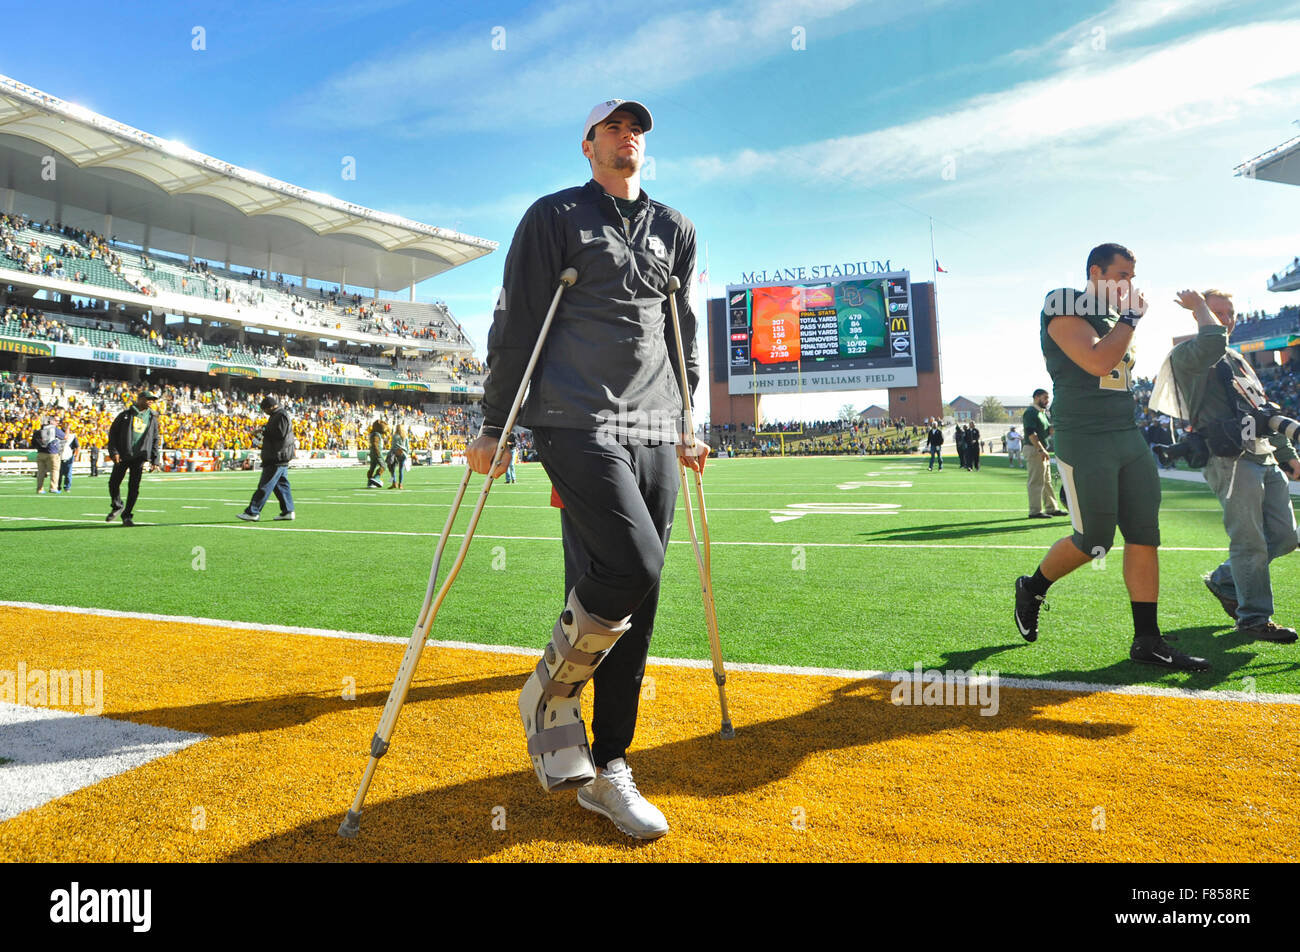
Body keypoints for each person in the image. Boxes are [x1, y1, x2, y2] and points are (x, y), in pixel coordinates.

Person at [467, 98, 704, 840]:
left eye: (638, 129)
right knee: (633, 561)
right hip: (574, 416)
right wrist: (494, 421)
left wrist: (689, 416)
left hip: (656, 421)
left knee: (641, 586)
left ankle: (610, 768)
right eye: (615, 128)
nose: (628, 136)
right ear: (589, 144)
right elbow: (516, 319)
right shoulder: (554, 216)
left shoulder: (676, 228)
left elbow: (681, 326)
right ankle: (551, 691)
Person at [1014, 243, 1209, 671]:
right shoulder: (1063, 301)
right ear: (1096, 272)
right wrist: (1131, 319)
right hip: (1085, 436)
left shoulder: (1114, 319)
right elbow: (1098, 360)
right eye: (1122, 275)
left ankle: (1147, 638)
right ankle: (1032, 586)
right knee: (1096, 542)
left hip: (1126, 433)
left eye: (1133, 277)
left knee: (1144, 533)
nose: (1130, 285)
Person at [1158, 289, 1298, 643]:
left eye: (1231, 313)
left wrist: (1285, 452)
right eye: (1217, 312)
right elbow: (1211, 343)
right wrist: (1202, 309)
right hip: (1228, 459)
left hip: (1261, 452)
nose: (1227, 319)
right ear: (1199, 316)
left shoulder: (1239, 358)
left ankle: (1223, 579)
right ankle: (1253, 618)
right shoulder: (1189, 354)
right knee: (1248, 540)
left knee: (1285, 536)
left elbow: (1261, 408)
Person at [106, 391, 162, 526]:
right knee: (113, 483)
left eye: (152, 400)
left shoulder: (152, 418)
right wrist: (114, 452)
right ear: (140, 399)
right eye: (148, 399)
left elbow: (155, 439)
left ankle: (127, 515)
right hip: (123, 455)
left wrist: (155, 459)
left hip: (140, 456)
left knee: (134, 487)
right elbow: (113, 434)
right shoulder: (125, 415)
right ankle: (117, 506)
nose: (150, 401)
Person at [237, 395, 296, 521]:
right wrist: (264, 429)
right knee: (281, 486)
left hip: (276, 456)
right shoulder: (279, 415)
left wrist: (263, 431)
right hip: (280, 456)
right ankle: (288, 511)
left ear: (270, 407)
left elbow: (279, 433)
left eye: (265, 409)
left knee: (265, 485)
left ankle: (253, 512)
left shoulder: (280, 415)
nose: (265, 412)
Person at [1022, 389, 1067, 518]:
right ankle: (1035, 511)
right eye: (1045, 398)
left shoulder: (1042, 413)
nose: (1047, 401)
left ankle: (1051, 508)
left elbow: (1047, 431)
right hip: (1034, 448)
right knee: (1036, 481)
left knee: (1047, 480)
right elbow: (1031, 433)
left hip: (1041, 449)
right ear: (1036, 397)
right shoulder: (1031, 412)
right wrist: (1040, 449)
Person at [31, 417, 65, 494]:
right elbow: (65, 437)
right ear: (51, 422)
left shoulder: (38, 431)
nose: (57, 423)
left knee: (41, 472)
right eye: (56, 421)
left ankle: (39, 489)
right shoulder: (54, 429)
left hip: (40, 453)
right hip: (52, 453)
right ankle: (53, 487)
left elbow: (33, 443)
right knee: (54, 471)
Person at [366, 419, 388, 488]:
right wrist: (377, 451)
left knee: (372, 467)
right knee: (383, 466)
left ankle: (370, 482)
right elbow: (375, 443)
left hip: (372, 452)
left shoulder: (373, 434)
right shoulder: (376, 434)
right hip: (376, 452)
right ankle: (376, 478)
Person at [58, 421, 79, 492]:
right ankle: (58, 486)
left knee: (68, 473)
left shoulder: (72, 436)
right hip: (59, 456)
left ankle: (67, 487)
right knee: (59, 473)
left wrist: (76, 455)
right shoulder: (58, 436)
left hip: (69, 456)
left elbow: (77, 447)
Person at [388, 423, 410, 489]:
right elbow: (407, 447)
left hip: (395, 453)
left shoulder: (395, 436)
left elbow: (393, 446)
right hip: (403, 453)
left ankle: (394, 482)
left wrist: (391, 453)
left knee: (392, 469)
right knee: (401, 470)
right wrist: (406, 454)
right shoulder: (405, 436)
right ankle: (400, 484)